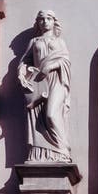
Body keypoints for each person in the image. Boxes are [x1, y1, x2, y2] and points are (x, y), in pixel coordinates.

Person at [17, 9, 71, 162]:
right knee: (40, 117)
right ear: (38, 23)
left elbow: (65, 61)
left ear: (54, 22)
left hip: (56, 81)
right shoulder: (34, 41)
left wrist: (50, 66)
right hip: (40, 81)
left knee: (51, 114)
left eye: (48, 18)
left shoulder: (60, 42)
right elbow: (24, 61)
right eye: (41, 19)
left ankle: (63, 150)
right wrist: (23, 72)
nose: (45, 22)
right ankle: (43, 153)